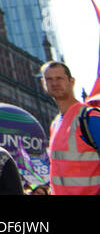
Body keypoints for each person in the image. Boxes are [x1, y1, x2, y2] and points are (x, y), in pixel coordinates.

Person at [40, 61, 100, 195]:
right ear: (44, 84)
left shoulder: (90, 118)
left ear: (71, 81)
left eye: (59, 78)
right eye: (49, 79)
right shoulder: (55, 124)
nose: (54, 83)